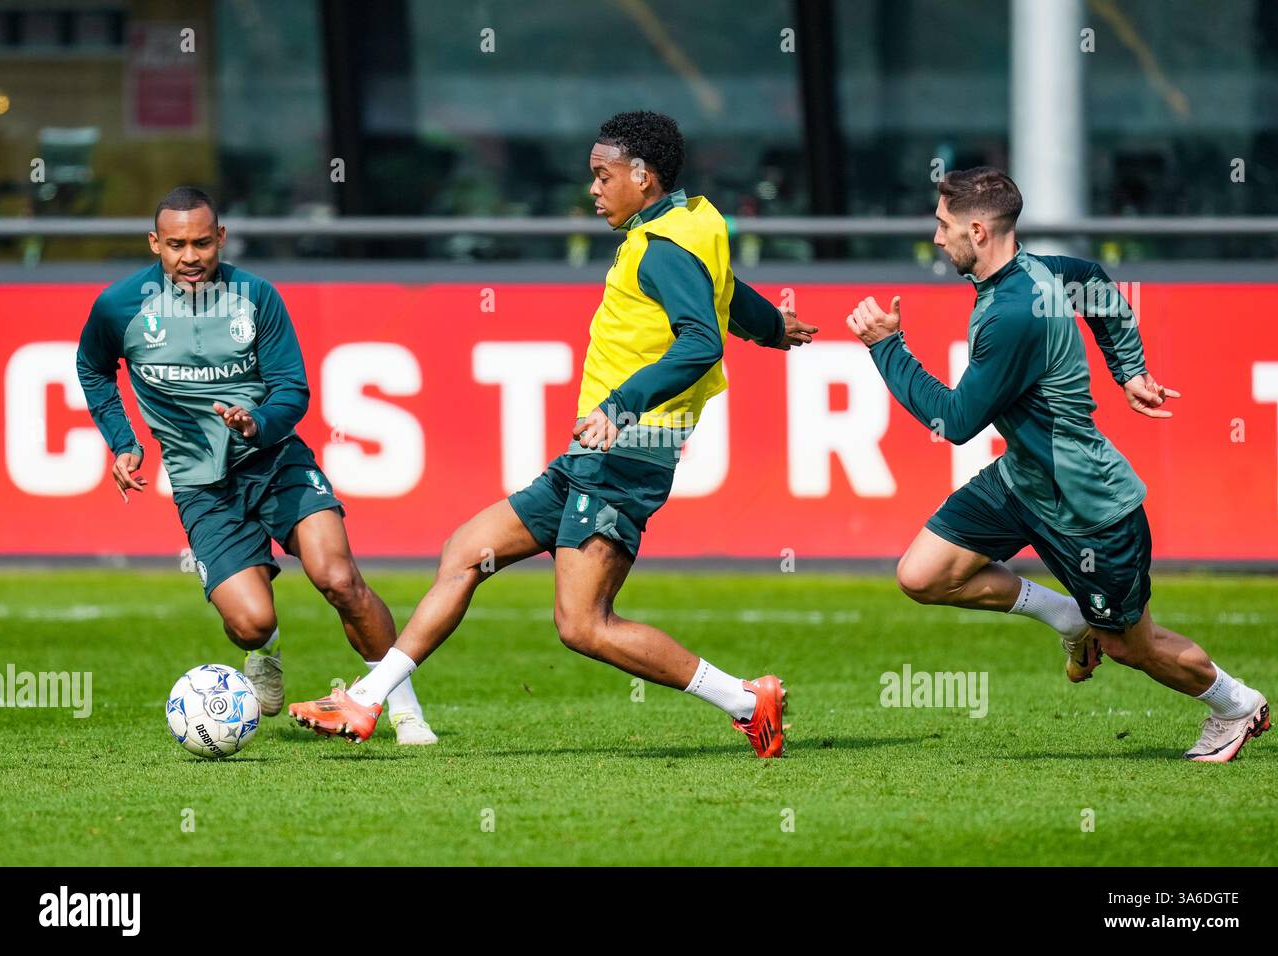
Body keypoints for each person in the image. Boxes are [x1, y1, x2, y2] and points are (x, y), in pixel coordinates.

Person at [289, 111, 818, 757]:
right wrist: (770, 327)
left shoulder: (660, 248)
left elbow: (701, 341)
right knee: (465, 551)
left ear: (643, 176)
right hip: (595, 452)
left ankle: (744, 699)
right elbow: (722, 291)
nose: (593, 190)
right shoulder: (693, 219)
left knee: (583, 624)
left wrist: (620, 405)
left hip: (628, 449)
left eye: (603, 176)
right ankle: (369, 702)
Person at [847, 166, 1269, 762]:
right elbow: (1096, 283)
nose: (936, 239)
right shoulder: (1036, 272)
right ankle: (1069, 617)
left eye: (943, 226)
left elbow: (957, 420)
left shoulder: (1011, 314)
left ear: (977, 229)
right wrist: (1130, 371)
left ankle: (1236, 705)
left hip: (1087, 509)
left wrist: (886, 347)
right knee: (922, 574)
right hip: (1024, 482)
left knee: (1132, 647)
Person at [76, 186, 435, 745]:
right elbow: (93, 369)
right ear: (155, 243)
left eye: (201, 242)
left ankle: (402, 708)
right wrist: (123, 441)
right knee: (251, 623)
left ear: (220, 238)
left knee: (338, 579)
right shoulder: (119, 306)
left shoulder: (256, 296)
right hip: (201, 486)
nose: (189, 257)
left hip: (275, 461)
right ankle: (264, 653)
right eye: (175, 245)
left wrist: (258, 423)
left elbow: (294, 387)